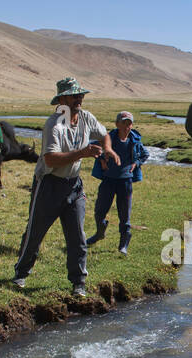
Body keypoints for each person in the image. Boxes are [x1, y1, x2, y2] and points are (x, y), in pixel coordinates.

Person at [13, 78, 120, 296]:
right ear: (62, 99)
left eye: (80, 95)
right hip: (49, 185)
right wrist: (83, 153)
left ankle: (78, 282)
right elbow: (51, 159)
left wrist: (107, 149)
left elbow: (104, 134)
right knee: (36, 232)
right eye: (74, 95)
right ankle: (21, 273)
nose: (79, 98)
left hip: (74, 185)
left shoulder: (86, 117)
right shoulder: (54, 124)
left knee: (77, 236)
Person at [86, 111, 148, 255]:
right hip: (108, 179)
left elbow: (145, 154)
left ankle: (123, 246)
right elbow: (93, 147)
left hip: (125, 182)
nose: (127, 126)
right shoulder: (109, 138)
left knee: (124, 215)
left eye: (129, 123)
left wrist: (136, 163)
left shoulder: (135, 140)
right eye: (124, 123)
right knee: (99, 211)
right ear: (117, 124)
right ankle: (99, 233)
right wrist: (101, 159)